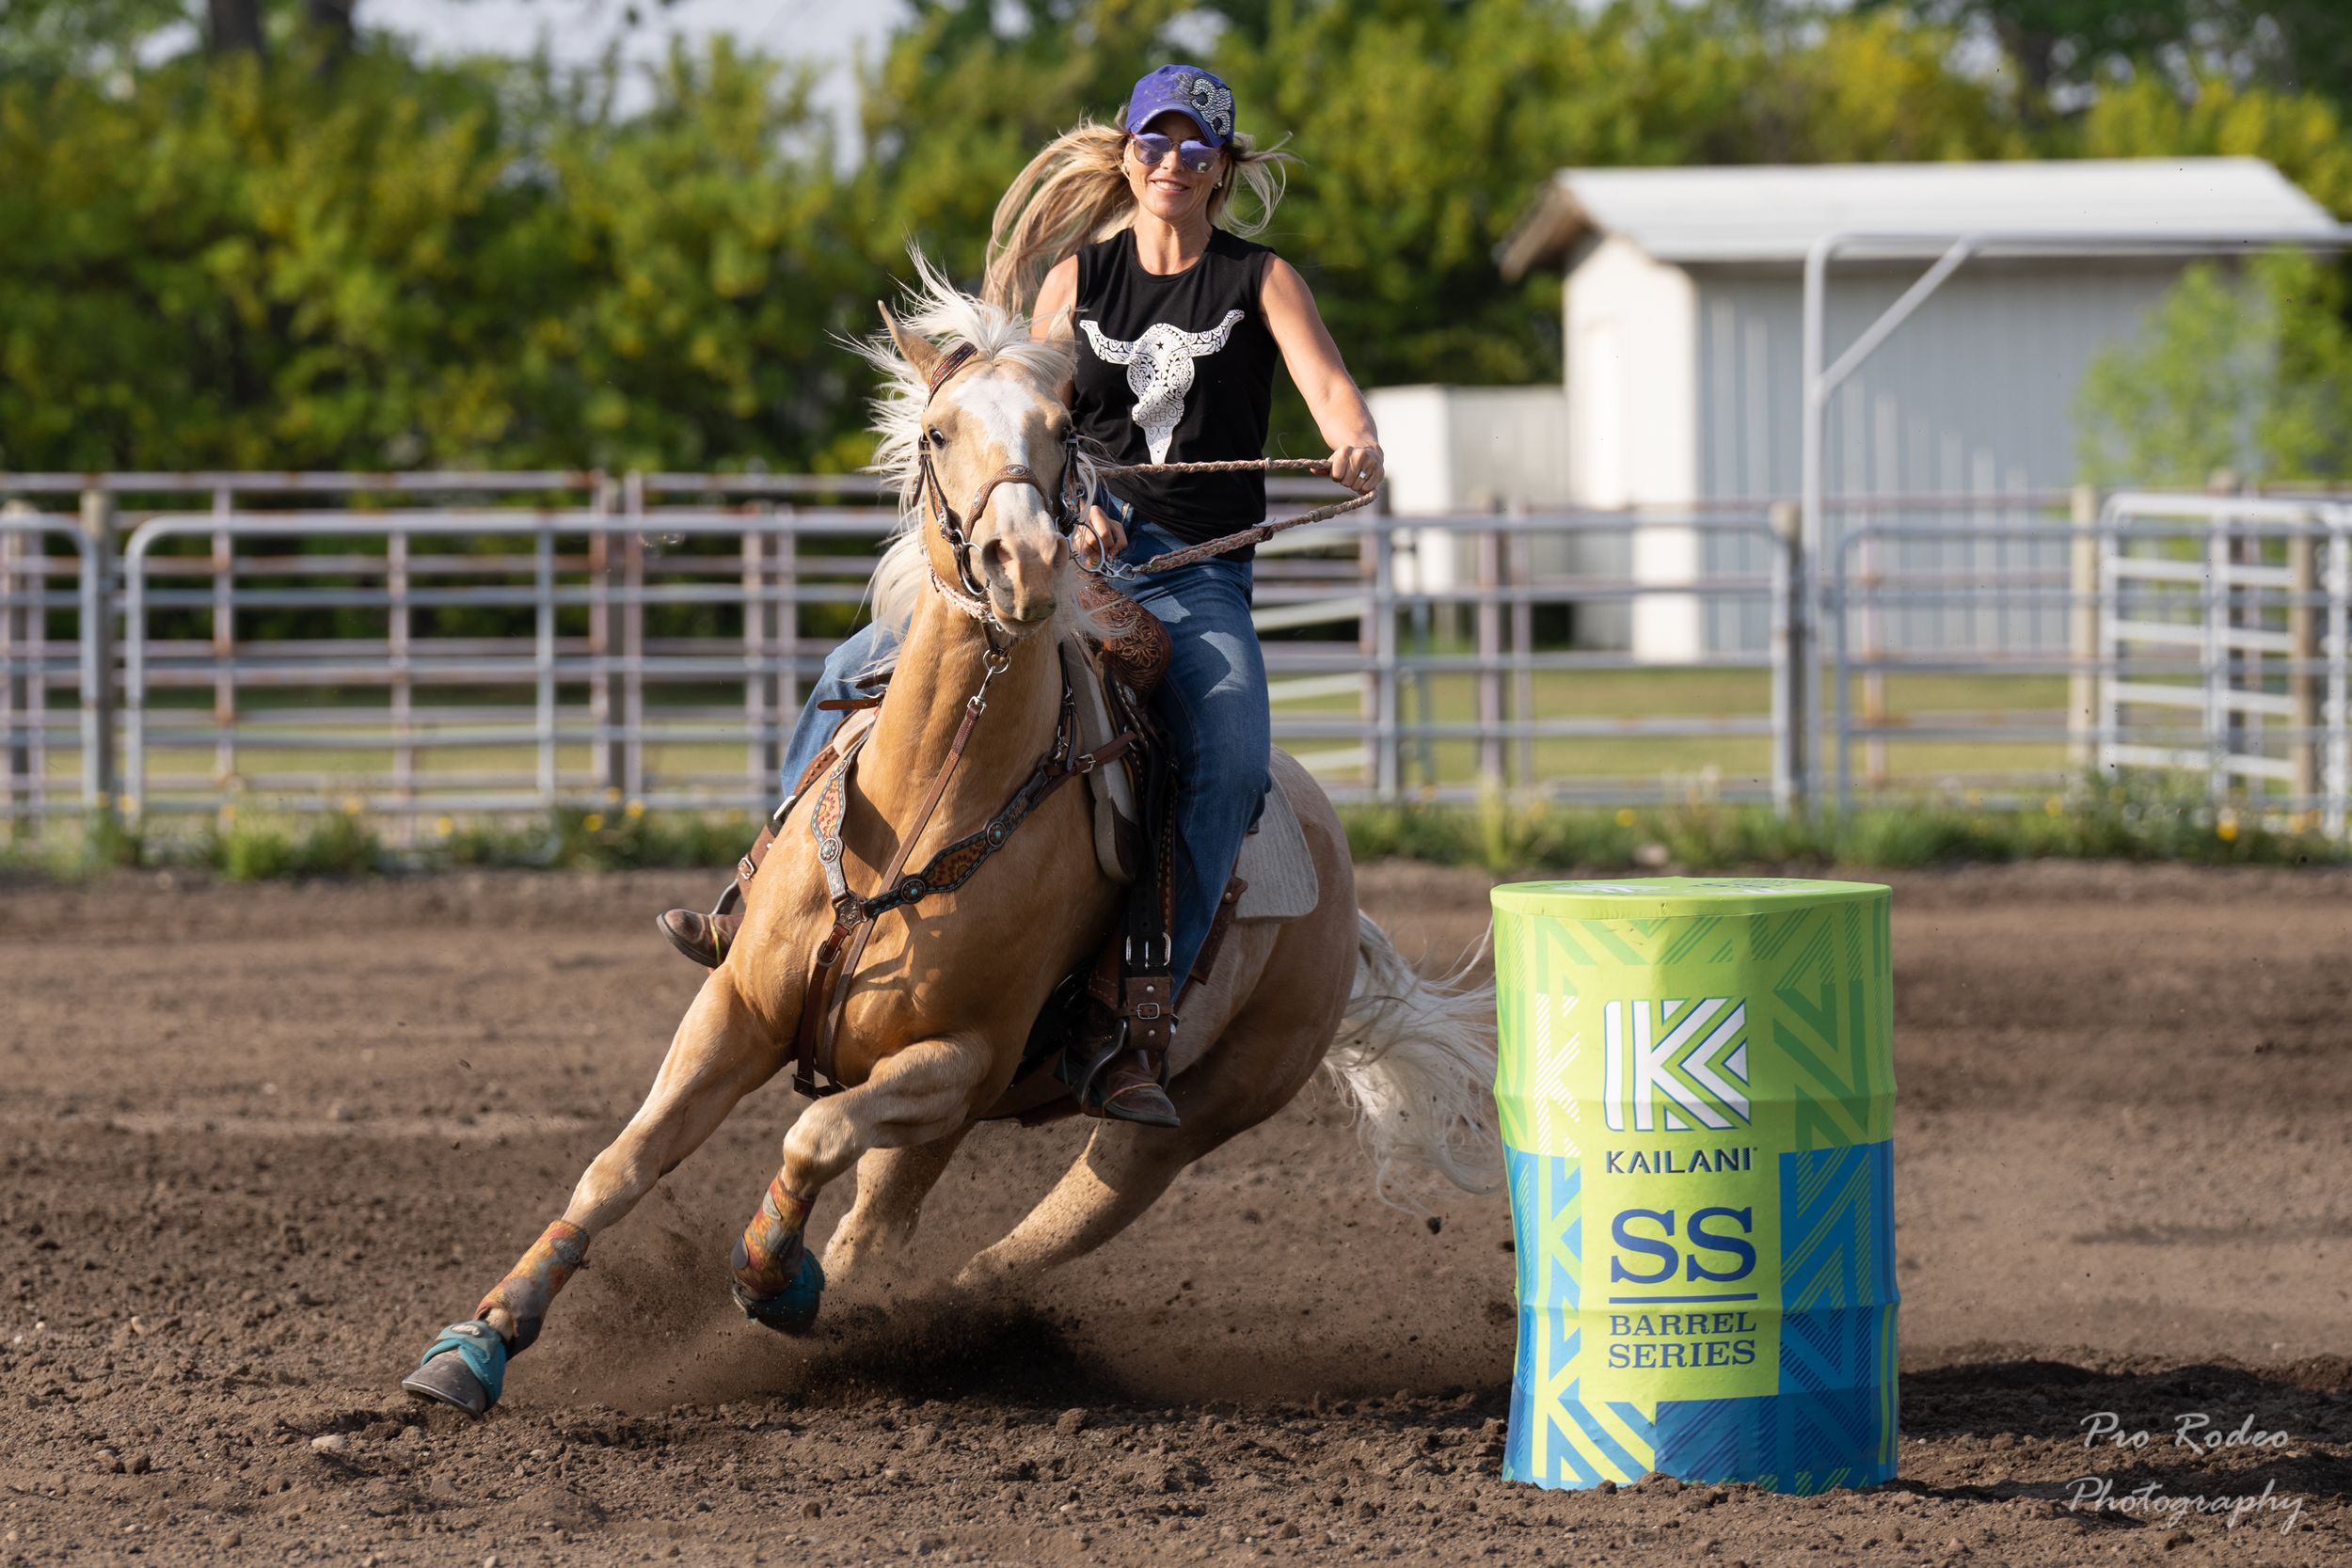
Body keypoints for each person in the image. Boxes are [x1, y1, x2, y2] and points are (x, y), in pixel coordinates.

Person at [659, 64, 1383, 1127]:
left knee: (1227, 757)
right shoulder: (1076, 285)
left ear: (1222, 168)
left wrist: (1352, 440)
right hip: (1073, 560)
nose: (1170, 163)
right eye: (1153, 143)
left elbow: (1328, 392)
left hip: (1198, 579)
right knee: (843, 669)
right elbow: (1044, 430)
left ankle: (1134, 1005)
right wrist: (1071, 512)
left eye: (1194, 149)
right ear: (1128, 156)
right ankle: (758, 895)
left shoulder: (1260, 280)